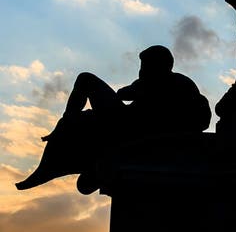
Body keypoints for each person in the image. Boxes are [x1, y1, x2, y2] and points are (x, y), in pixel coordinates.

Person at [15, 45, 211, 194]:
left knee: (86, 80)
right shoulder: (157, 82)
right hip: (129, 123)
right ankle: (63, 145)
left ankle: (67, 128)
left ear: (159, 65)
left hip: (129, 125)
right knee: (85, 118)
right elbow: (124, 93)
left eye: (145, 66)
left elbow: (200, 118)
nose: (142, 70)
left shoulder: (174, 83)